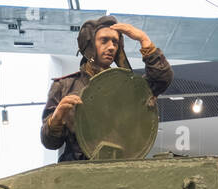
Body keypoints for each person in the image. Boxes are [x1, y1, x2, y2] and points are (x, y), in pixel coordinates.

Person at [41, 15, 173, 161]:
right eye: (104, 41)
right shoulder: (64, 86)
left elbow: (161, 78)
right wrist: (56, 119)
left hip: (119, 168)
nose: (111, 47)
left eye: (115, 42)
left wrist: (144, 39)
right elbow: (50, 143)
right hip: (76, 170)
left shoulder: (125, 87)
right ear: (89, 45)